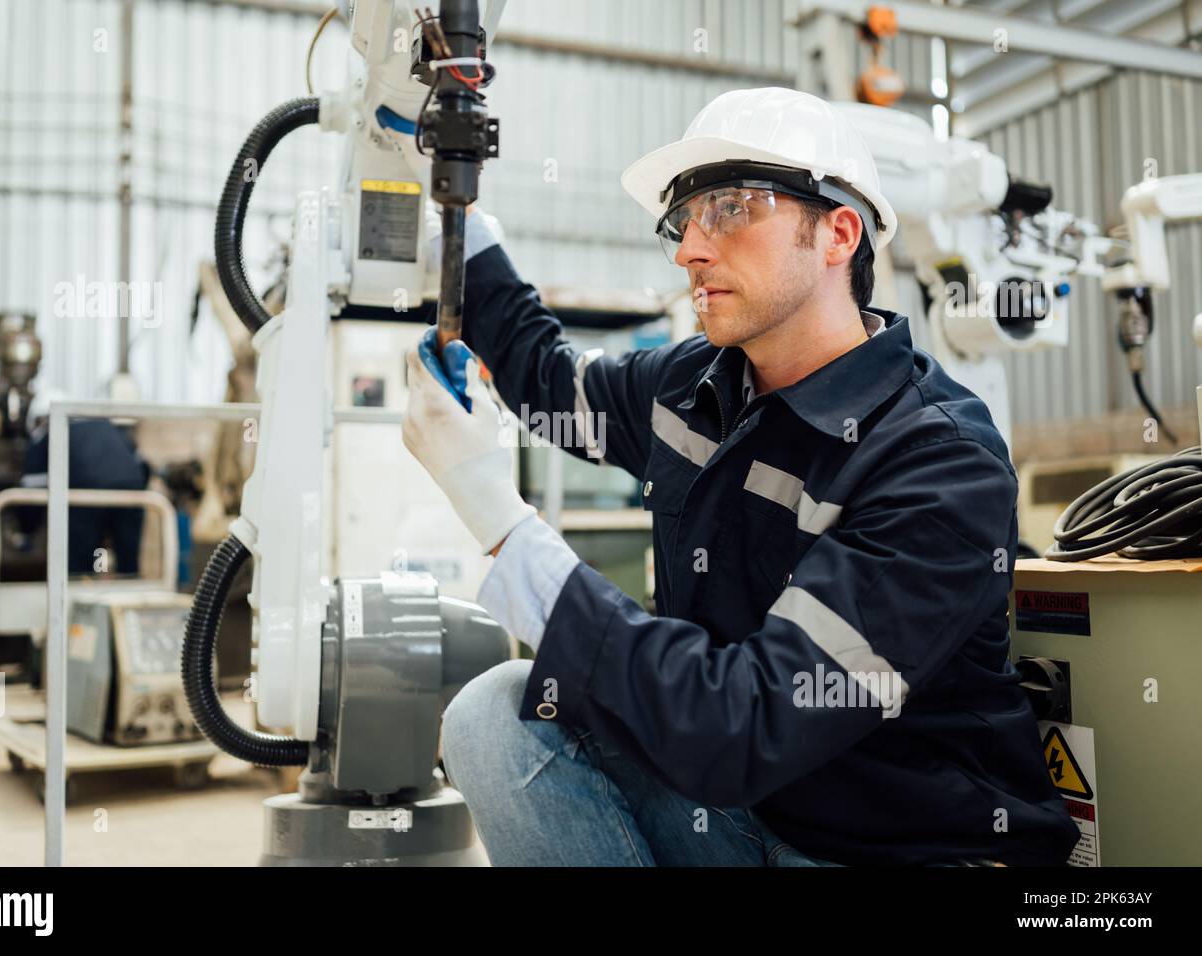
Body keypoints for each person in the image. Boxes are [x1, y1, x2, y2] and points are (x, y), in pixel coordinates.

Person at [400, 88, 1078, 866]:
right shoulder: (697, 387)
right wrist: (464, 236)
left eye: (728, 209)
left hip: (901, 848)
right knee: (498, 716)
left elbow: (748, 722)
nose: (691, 247)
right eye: (680, 223)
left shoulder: (937, 461)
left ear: (838, 233)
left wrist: (494, 512)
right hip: (753, 811)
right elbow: (549, 383)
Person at [21, 391, 150, 575]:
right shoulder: (108, 426)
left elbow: (31, 490)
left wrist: (27, 531)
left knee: (79, 564)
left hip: (85, 495)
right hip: (131, 491)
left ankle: (79, 593)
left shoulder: (49, 432)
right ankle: (131, 596)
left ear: (38, 419)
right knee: (128, 561)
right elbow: (143, 467)